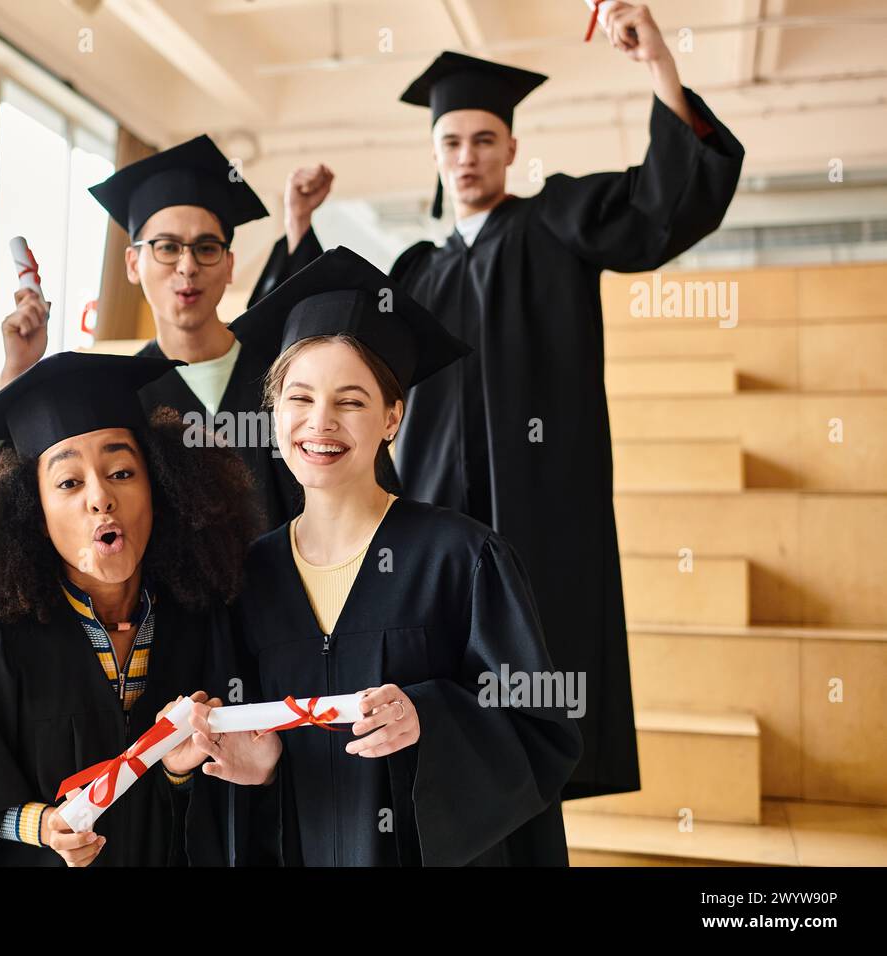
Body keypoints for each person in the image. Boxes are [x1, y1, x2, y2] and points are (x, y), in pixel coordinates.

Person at [248, 3, 745, 805]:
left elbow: (660, 205)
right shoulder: (414, 274)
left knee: (537, 711)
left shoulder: (557, 224)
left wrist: (660, 67)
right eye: (452, 142)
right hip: (438, 518)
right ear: (435, 153)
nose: (467, 155)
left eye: (484, 140)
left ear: (511, 147)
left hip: (548, 515)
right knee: (440, 705)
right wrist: (297, 227)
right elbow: (319, 331)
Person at [190, 247, 583, 866]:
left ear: (392, 417)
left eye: (350, 401)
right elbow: (244, 786)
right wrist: (259, 772)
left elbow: (543, 735)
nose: (320, 423)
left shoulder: (463, 559)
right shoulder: (249, 579)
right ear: (273, 411)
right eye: (299, 398)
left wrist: (431, 719)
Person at [0, 352, 260, 866]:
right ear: (33, 515)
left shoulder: (202, 625)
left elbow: (239, 819)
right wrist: (40, 825)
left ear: (161, 488)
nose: (100, 497)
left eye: (121, 471)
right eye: (69, 482)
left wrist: (179, 771)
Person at [0, 134, 305, 530]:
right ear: (133, 263)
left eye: (206, 247)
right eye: (166, 247)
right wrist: (18, 374)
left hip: (283, 591)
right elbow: (12, 497)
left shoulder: (285, 380)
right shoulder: (114, 392)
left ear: (229, 264)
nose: (187, 266)